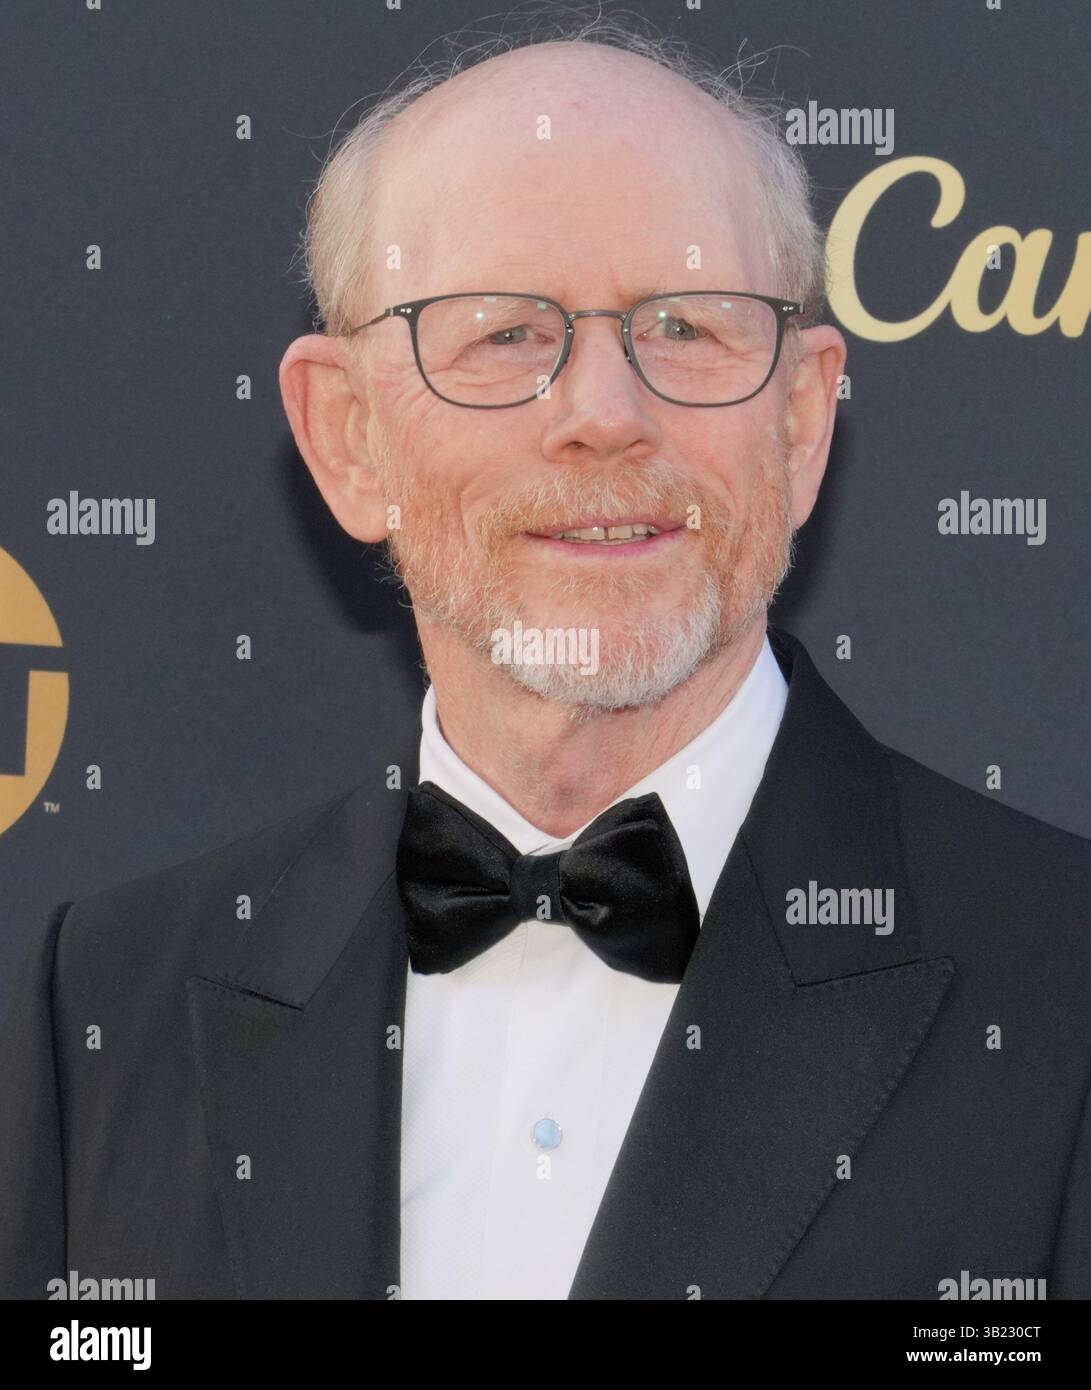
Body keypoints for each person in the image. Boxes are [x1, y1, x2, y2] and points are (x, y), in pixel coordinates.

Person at [3, 16, 1090, 1302]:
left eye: (684, 324)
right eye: (504, 335)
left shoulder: (1058, 983)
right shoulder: (114, 997)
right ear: (347, 437)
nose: (602, 416)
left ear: (798, 422)